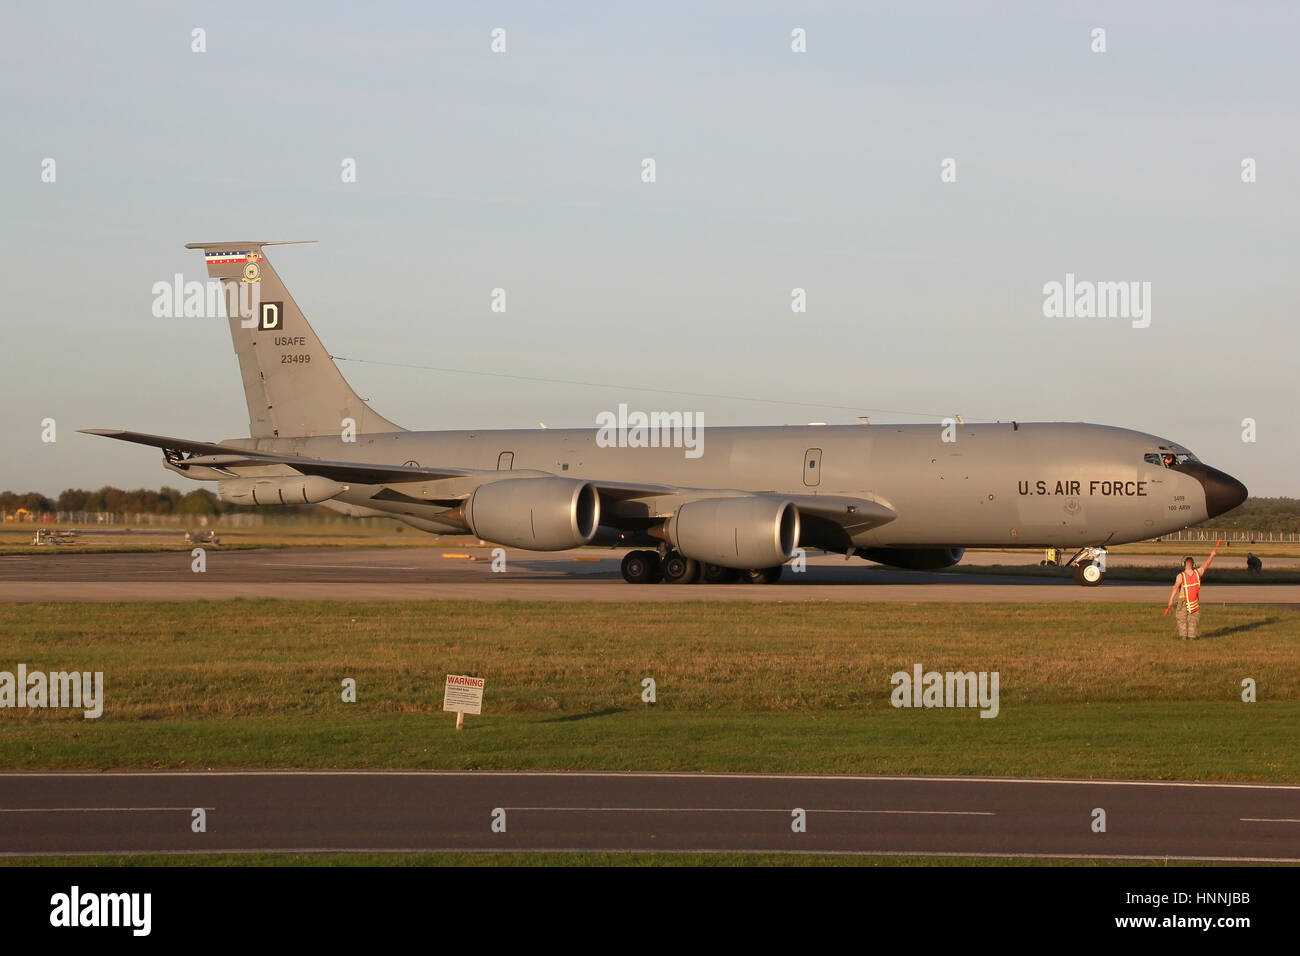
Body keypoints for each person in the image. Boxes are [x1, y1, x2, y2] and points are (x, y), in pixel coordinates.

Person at [1163, 540, 1220, 640]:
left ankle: (1183, 636)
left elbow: (1175, 587)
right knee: (1193, 619)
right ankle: (1192, 637)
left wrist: (1171, 599)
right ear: (1193, 564)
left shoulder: (1181, 576)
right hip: (1194, 600)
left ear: (1184, 564)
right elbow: (1206, 565)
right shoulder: (1198, 573)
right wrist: (1212, 555)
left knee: (1181, 618)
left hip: (1183, 599)